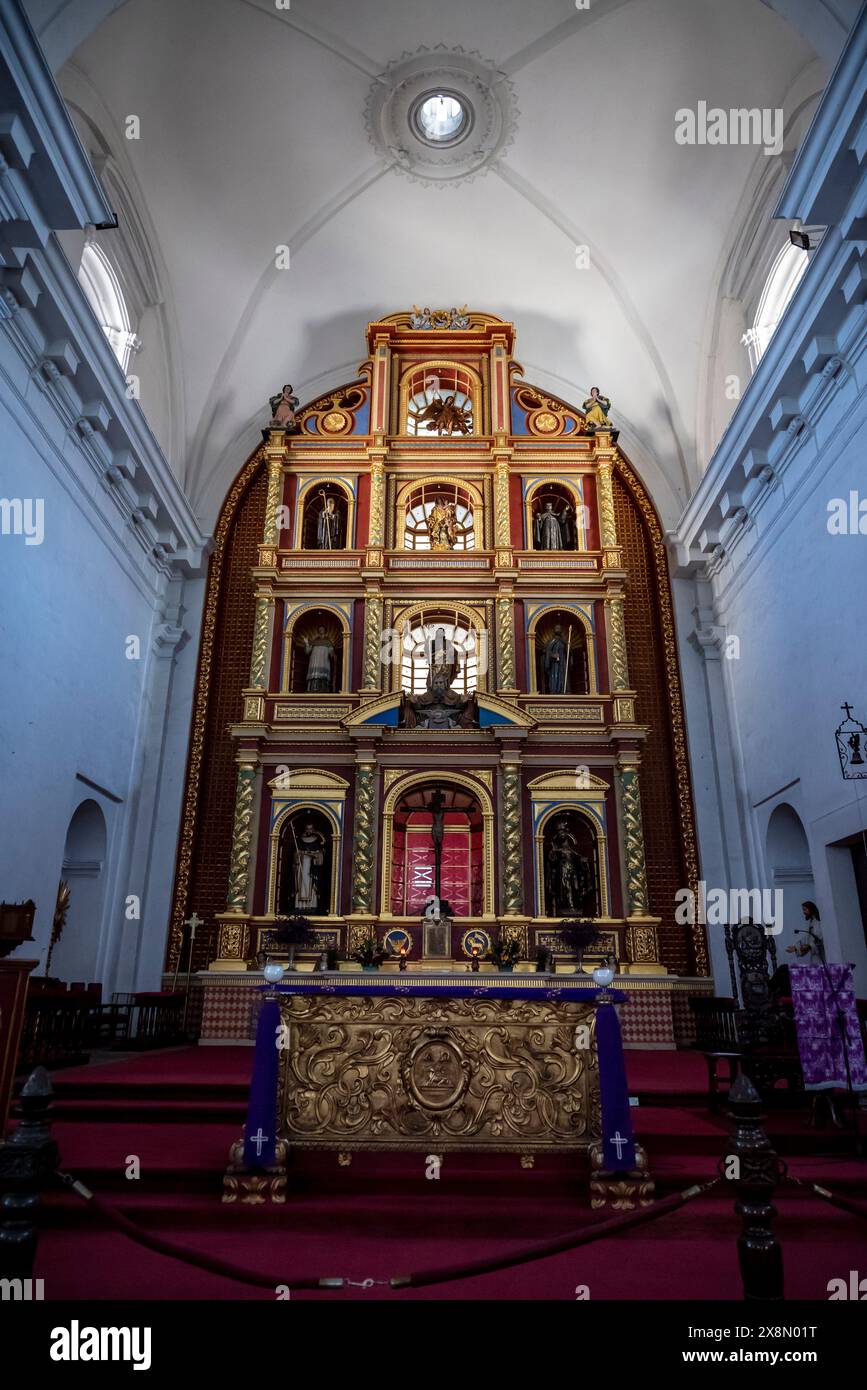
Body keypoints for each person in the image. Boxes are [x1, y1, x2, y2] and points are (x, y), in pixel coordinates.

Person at [303, 626, 336, 692]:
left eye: (322, 629)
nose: (321, 630)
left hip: (324, 661)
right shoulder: (314, 641)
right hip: (314, 661)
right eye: (320, 629)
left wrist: (332, 652)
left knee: (323, 675)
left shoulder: (328, 641)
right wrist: (306, 642)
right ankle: (312, 688)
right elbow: (307, 651)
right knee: (314, 675)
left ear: (325, 631)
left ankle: (323, 689)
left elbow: (331, 653)